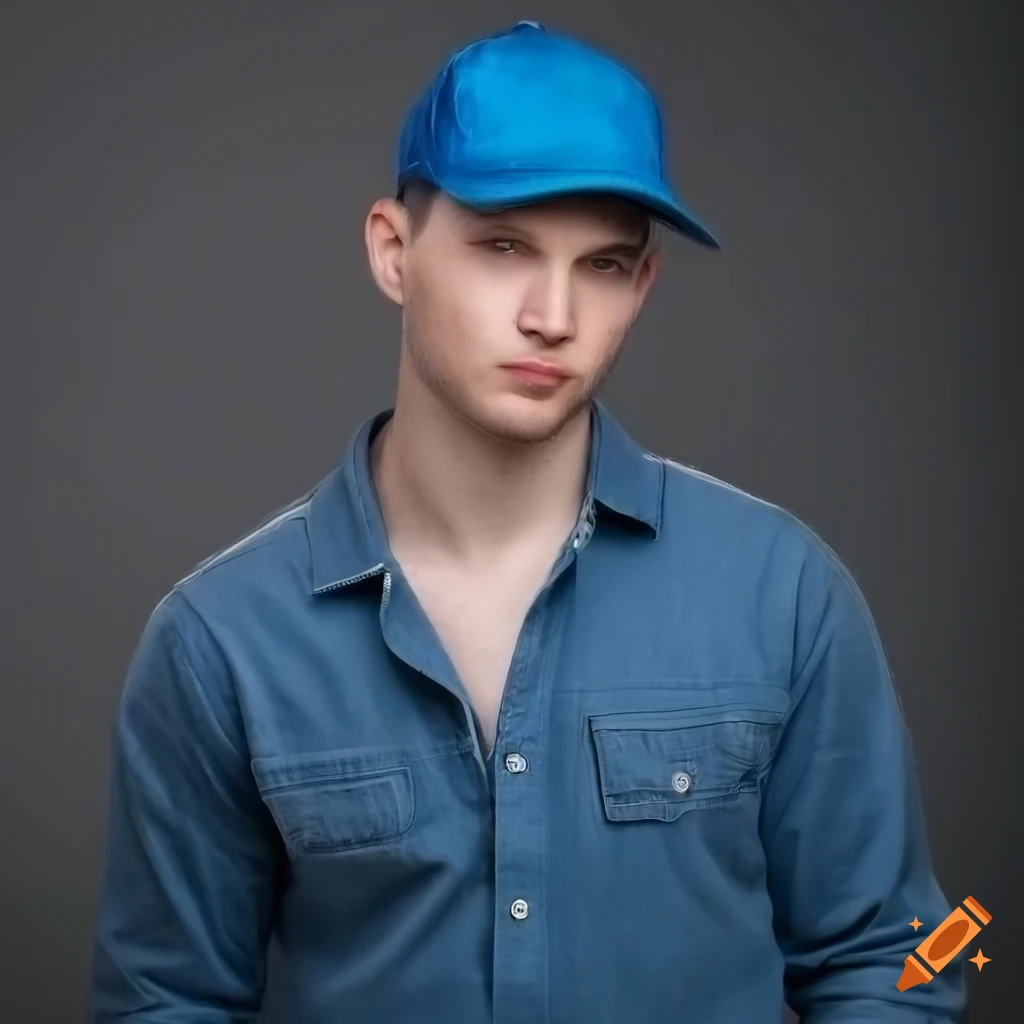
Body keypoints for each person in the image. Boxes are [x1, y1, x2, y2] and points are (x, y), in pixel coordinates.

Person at [88, 20, 966, 1024]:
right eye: (504, 246)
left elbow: (912, 953)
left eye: (600, 265)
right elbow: (165, 1002)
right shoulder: (218, 642)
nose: (553, 312)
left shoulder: (787, 592)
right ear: (393, 251)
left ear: (641, 287)